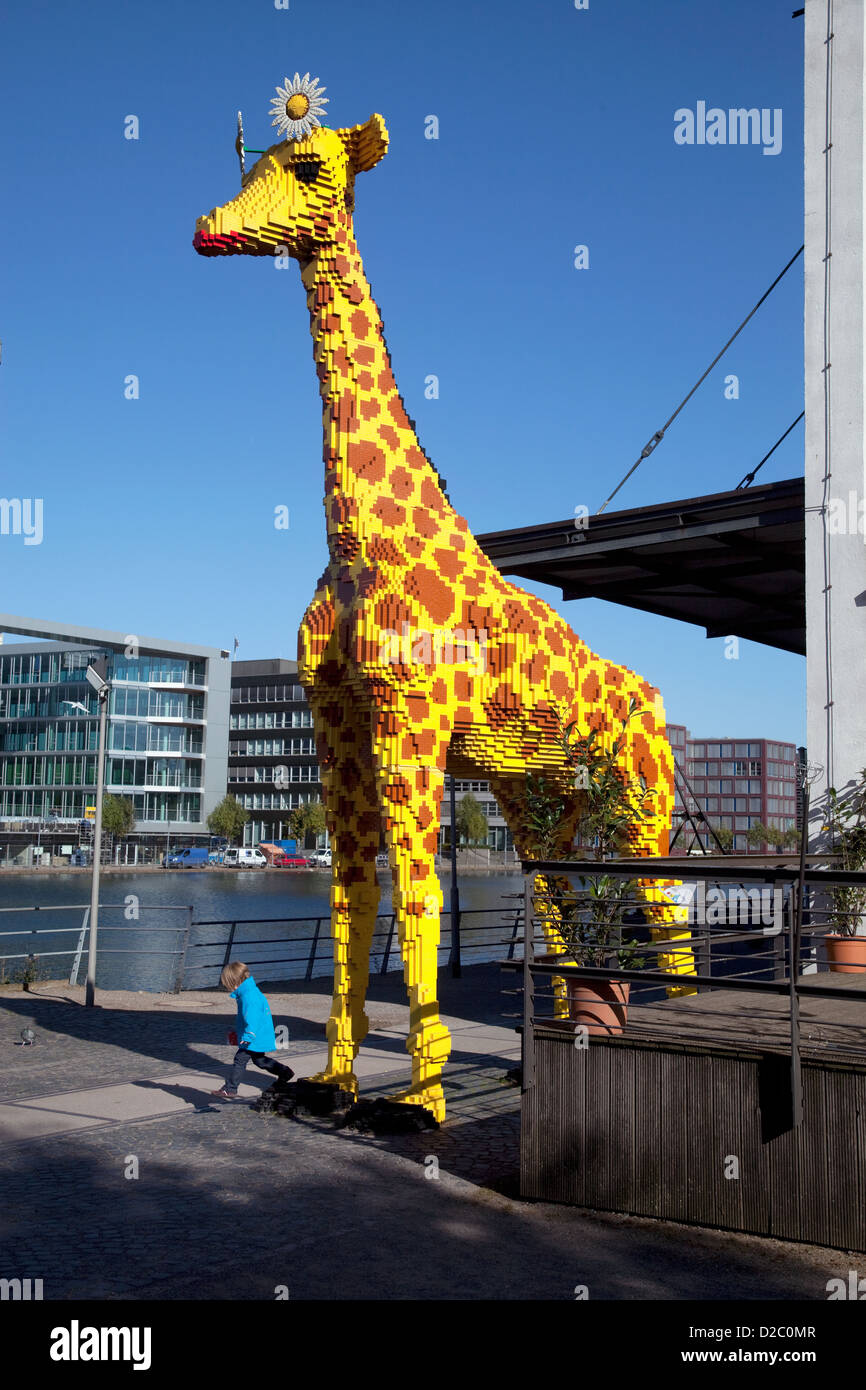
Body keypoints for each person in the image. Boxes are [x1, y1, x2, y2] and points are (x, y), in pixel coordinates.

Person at [211, 960, 294, 1100]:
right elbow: (248, 1018)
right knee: (259, 1060)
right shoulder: (249, 992)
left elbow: (253, 1019)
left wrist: (248, 1035)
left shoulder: (249, 997)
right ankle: (284, 1072)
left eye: (227, 985)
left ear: (235, 982)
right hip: (257, 1034)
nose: (227, 988)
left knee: (240, 1060)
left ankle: (230, 1089)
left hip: (254, 1036)